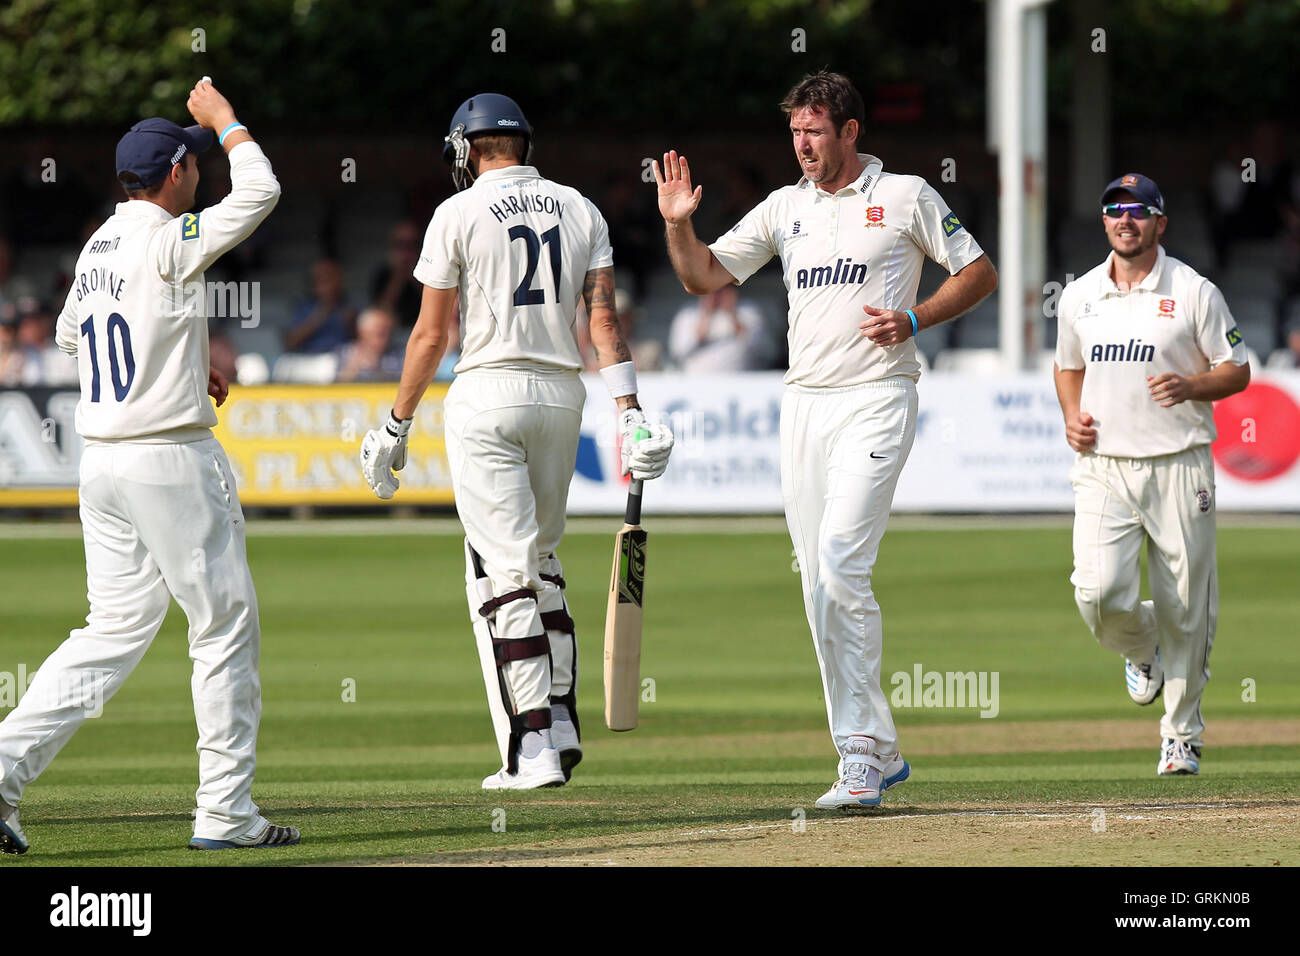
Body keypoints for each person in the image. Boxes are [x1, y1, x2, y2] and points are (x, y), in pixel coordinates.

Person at [654, 71, 996, 809]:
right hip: (803, 407)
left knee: (842, 563)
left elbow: (979, 273)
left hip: (878, 397)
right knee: (816, 583)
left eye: (815, 131)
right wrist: (679, 223)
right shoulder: (786, 208)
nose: (803, 145)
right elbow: (702, 277)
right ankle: (881, 743)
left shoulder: (905, 196)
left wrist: (913, 320)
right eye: (795, 134)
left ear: (849, 131)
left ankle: (860, 757)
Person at [0, 79, 299, 855]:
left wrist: (177, 358)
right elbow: (262, 189)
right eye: (193, 162)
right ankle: (226, 813)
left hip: (102, 464)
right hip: (168, 457)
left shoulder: (100, 242)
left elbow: (72, 336)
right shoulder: (169, 236)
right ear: (174, 173)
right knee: (224, 627)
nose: (200, 170)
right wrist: (226, 120)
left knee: (112, 629)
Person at [359, 93, 674, 790]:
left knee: (503, 573)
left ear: (467, 148)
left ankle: (531, 746)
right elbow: (603, 322)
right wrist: (629, 411)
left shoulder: (456, 213)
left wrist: (395, 424)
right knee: (543, 561)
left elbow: (430, 335)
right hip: (562, 396)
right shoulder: (580, 207)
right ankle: (559, 718)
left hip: (488, 393)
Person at [1054, 173, 1250, 777]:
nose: (1126, 219)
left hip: (1179, 464)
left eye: (1139, 211)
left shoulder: (1195, 291)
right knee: (1097, 594)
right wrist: (1071, 417)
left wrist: (1192, 385)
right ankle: (1145, 647)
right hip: (1103, 466)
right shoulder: (1079, 295)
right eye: (1115, 209)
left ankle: (1182, 735)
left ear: (1160, 223)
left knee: (1187, 604)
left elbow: (1237, 371)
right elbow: (1068, 367)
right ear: (1105, 221)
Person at [667, 284, 774, 372]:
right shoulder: (688, 315)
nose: (716, 295)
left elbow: (762, 349)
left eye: (722, 289)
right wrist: (706, 316)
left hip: (741, 383)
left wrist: (732, 315)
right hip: (697, 384)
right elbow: (678, 352)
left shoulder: (749, 312)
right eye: (712, 290)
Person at [283, 258, 356, 354]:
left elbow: (364, 343)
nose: (328, 285)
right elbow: (290, 342)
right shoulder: (303, 308)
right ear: (313, 285)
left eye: (330, 278)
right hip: (311, 360)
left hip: (342, 359)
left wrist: (351, 324)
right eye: (321, 280)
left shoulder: (351, 305)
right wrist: (321, 314)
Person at [335, 305, 405, 382]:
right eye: (377, 329)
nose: (383, 331)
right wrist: (354, 366)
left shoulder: (400, 355)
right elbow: (338, 384)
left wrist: (378, 369)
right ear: (361, 331)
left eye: (386, 328)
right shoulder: (345, 352)